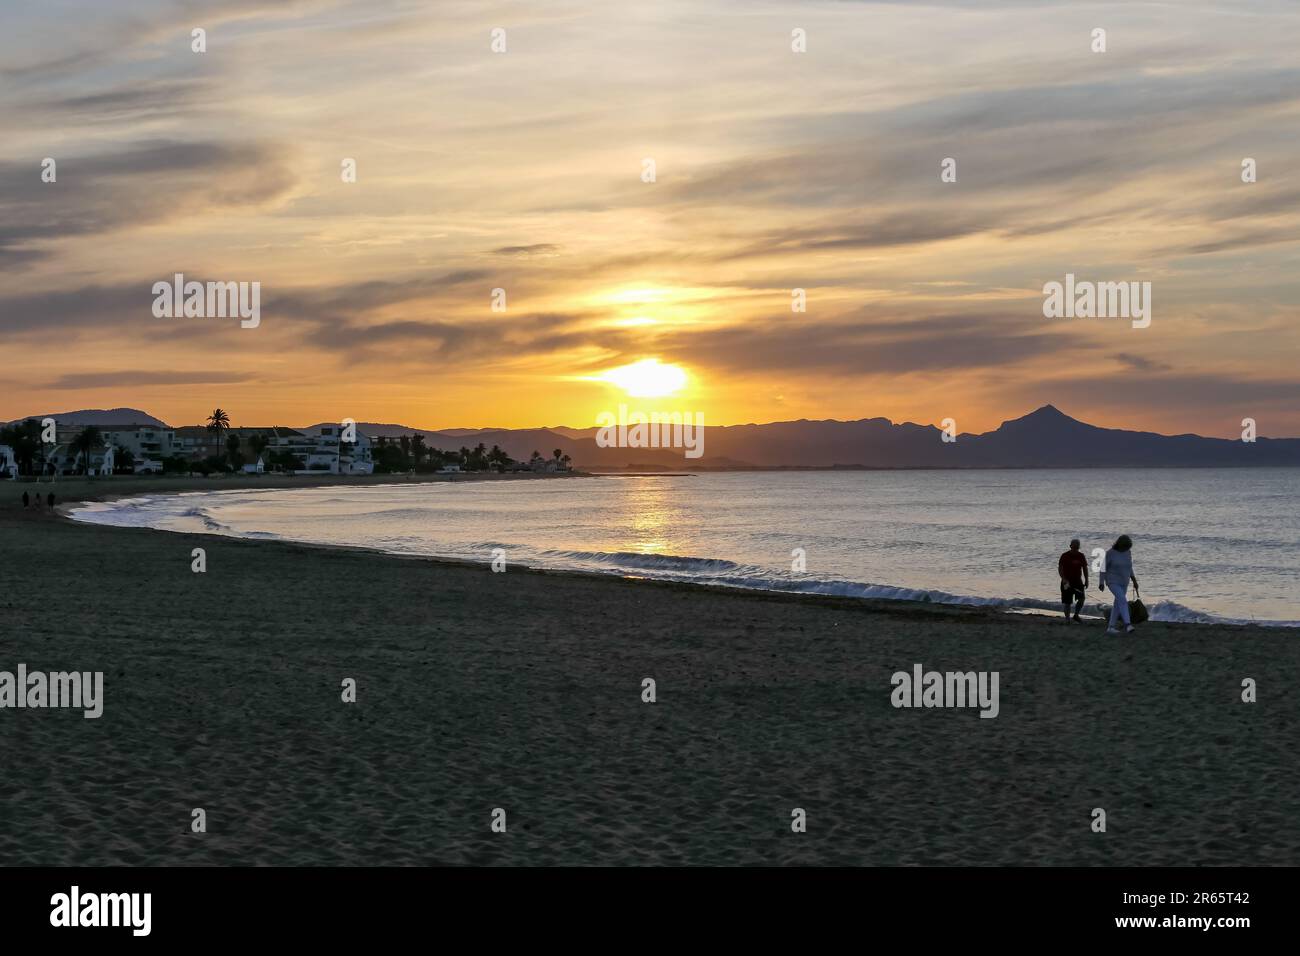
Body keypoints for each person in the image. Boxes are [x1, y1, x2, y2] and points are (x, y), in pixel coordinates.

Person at [1099, 534, 1138, 635]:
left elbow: (1129, 567)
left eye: (1128, 547)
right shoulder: (1110, 553)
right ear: (1120, 544)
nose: (1126, 549)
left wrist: (1134, 580)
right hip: (1112, 581)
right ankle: (1128, 624)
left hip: (1124, 582)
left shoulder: (1128, 552)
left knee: (1117, 604)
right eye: (1125, 546)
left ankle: (1111, 627)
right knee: (1122, 599)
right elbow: (1103, 568)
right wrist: (1101, 582)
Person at [1058, 538, 1089, 622]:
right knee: (1067, 602)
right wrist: (1063, 579)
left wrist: (1086, 580)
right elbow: (1060, 568)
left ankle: (1076, 615)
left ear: (1079, 547)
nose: (1075, 549)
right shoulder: (1064, 555)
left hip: (1078, 581)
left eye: (1077, 547)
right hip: (1066, 582)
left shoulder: (1081, 556)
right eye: (1074, 547)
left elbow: (1085, 568)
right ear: (1070, 546)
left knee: (1082, 599)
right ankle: (1067, 619)